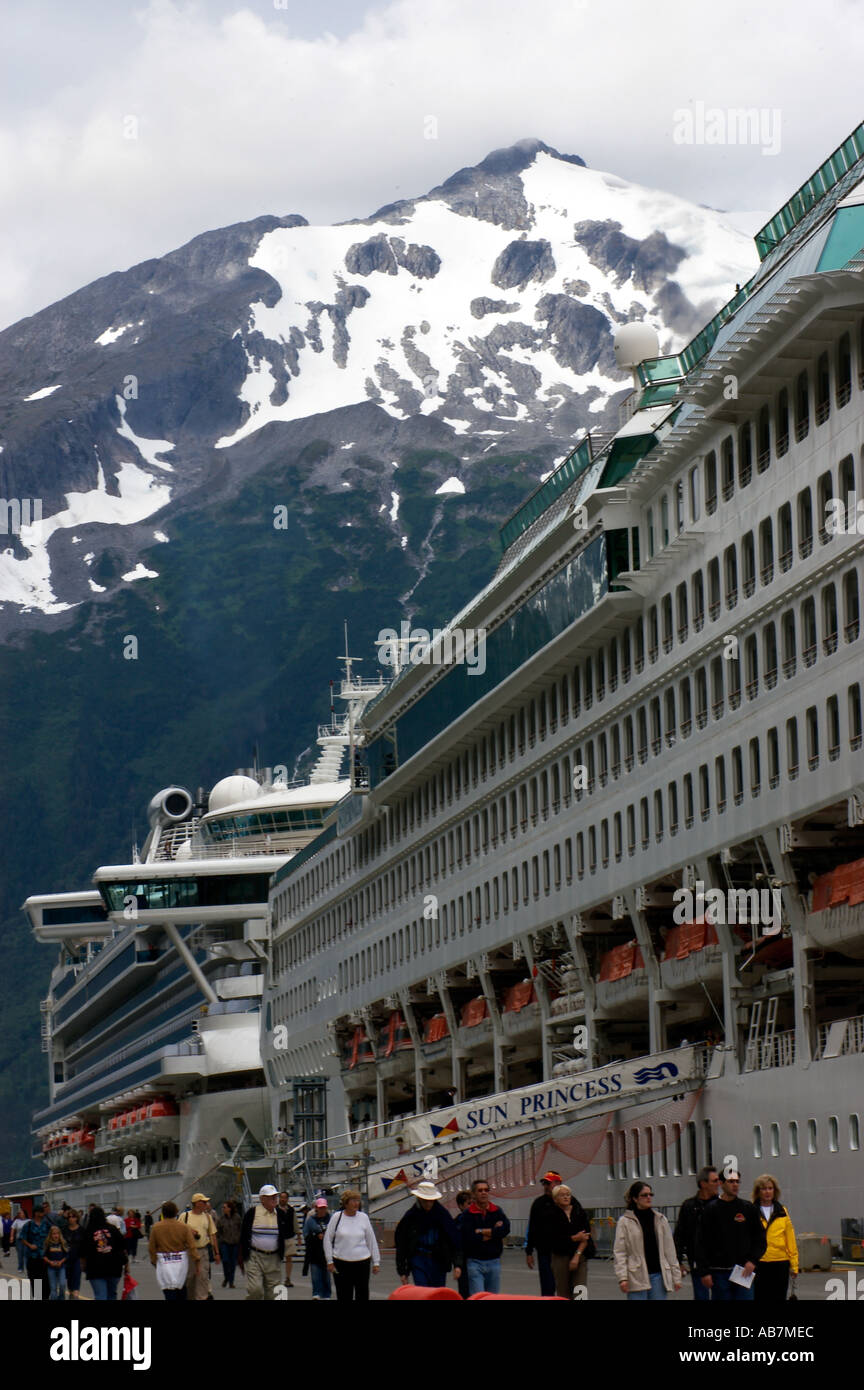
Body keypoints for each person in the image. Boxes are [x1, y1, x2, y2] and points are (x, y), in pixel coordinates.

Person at [694, 1170, 766, 1301]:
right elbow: (701, 1243)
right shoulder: (711, 1210)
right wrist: (704, 1271)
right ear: (721, 1183)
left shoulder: (748, 1208)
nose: (735, 1185)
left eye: (737, 1181)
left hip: (743, 1271)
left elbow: (760, 1238)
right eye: (731, 1181)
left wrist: (753, 1260)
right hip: (719, 1273)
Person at [613, 1181, 682, 1301]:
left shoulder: (660, 1219)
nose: (648, 1197)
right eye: (644, 1195)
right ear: (635, 1198)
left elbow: (670, 1250)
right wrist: (622, 1277)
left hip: (658, 1275)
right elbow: (620, 1252)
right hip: (636, 1275)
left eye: (650, 1194)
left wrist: (676, 1276)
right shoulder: (624, 1221)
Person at [395, 1181, 461, 1288]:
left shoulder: (443, 1215)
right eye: (425, 1201)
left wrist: (457, 1265)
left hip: (439, 1260)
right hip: (418, 1259)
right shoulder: (410, 1217)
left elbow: (454, 1240)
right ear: (419, 1199)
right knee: (423, 1292)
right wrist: (403, 1271)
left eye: (431, 1201)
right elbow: (402, 1244)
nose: (428, 1204)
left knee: (437, 1293)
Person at [240, 1184, 296, 1300]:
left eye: (275, 1196)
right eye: (271, 1196)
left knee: (273, 1294)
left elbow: (286, 1233)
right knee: (255, 1290)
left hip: (273, 1258)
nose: (274, 1199)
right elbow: (243, 1235)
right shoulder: (252, 1213)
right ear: (262, 1199)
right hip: (255, 1257)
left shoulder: (280, 1214)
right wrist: (242, 1256)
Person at [323, 1189, 381, 1302]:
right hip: (341, 1263)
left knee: (362, 1294)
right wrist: (329, 1260)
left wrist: (376, 1261)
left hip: (362, 1262)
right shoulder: (336, 1217)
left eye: (358, 1201)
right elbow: (327, 1240)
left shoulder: (363, 1217)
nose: (356, 1203)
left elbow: (371, 1240)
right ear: (346, 1203)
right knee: (344, 1294)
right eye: (353, 1200)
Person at [673, 1166, 720, 1302]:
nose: (719, 1184)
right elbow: (680, 1235)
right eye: (715, 1181)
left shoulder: (721, 1204)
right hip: (698, 1261)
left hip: (720, 1262)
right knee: (701, 1296)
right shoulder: (689, 1206)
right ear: (703, 1184)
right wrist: (678, 1261)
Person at [751, 1174, 798, 1305]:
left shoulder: (782, 1211)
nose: (767, 1192)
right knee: (759, 1297)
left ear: (775, 1190)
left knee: (778, 1297)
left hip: (780, 1262)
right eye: (764, 1188)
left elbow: (790, 1238)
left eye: (770, 1188)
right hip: (759, 1262)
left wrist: (794, 1264)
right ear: (758, 1191)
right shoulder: (751, 1211)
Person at [460, 1178, 511, 1296]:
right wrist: (494, 1233)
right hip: (474, 1262)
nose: (484, 1193)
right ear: (473, 1194)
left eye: (486, 1190)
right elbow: (468, 1238)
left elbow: (505, 1230)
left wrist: (482, 1231)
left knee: (492, 1298)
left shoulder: (497, 1211)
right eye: (480, 1190)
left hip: (494, 1261)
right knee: (479, 1297)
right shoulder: (467, 1215)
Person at [549, 1184, 595, 1299]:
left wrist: (577, 1256)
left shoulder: (579, 1212)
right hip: (560, 1256)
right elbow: (554, 1239)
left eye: (568, 1195)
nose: (566, 1197)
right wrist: (574, 1238)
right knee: (563, 1292)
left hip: (579, 1255)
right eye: (562, 1195)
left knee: (580, 1291)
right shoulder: (551, 1215)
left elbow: (585, 1236)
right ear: (555, 1199)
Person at [149, 1200, 199, 1300]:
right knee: (182, 1290)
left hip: (164, 1262)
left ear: (163, 1213)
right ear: (176, 1212)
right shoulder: (183, 1227)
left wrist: (154, 1261)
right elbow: (192, 1246)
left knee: (168, 1291)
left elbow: (152, 1247)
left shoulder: (156, 1228)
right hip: (181, 1262)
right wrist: (196, 1261)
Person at [525, 1170, 563, 1297]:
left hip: (564, 1251)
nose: (546, 1187)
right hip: (544, 1253)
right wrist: (529, 1252)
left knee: (566, 1287)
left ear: (558, 1183)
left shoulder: (567, 1201)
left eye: (549, 1183)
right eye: (544, 1184)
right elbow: (532, 1228)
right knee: (547, 1288)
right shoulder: (539, 1203)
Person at [80, 1206, 128, 1300]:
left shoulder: (88, 1232)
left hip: (95, 1268)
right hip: (114, 1267)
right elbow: (123, 1247)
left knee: (100, 1295)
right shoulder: (112, 1229)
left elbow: (83, 1252)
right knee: (112, 1294)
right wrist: (126, 1265)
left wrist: (84, 1266)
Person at [181, 1192, 220, 1300]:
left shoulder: (207, 1217)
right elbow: (178, 1232)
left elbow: (213, 1235)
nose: (206, 1204)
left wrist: (216, 1253)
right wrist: (189, 1232)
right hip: (188, 1252)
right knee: (190, 1278)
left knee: (203, 1277)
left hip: (203, 1251)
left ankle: (201, 1297)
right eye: (203, 1202)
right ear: (196, 1203)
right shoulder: (185, 1216)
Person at [21, 1203, 52, 1297]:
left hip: (45, 1258)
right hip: (33, 1258)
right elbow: (22, 1238)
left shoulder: (47, 1224)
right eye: (41, 1212)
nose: (43, 1213)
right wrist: (30, 1245)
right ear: (36, 1213)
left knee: (47, 1284)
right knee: (36, 1283)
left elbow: (54, 1235)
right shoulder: (29, 1225)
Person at [303, 1198, 332, 1300]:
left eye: (324, 1208)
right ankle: (316, 1293)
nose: (322, 1210)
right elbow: (306, 1234)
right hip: (315, 1250)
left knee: (326, 1275)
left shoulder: (330, 1218)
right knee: (316, 1275)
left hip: (327, 1251)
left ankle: (326, 1294)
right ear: (316, 1208)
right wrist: (315, 1235)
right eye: (320, 1208)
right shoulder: (311, 1220)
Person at [217, 1200, 242, 1289]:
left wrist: (239, 1239)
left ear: (229, 1208)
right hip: (225, 1243)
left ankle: (231, 1281)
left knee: (232, 1263)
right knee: (225, 1261)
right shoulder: (221, 1219)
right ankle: (226, 1277)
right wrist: (220, 1241)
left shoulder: (237, 1218)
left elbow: (240, 1228)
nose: (223, 1209)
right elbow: (218, 1231)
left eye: (225, 1207)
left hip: (234, 1243)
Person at [277, 1192, 298, 1286]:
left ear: (287, 1199)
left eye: (285, 1198)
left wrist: (299, 1235)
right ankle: (276, 1278)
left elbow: (295, 1222)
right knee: (277, 1258)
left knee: (289, 1258)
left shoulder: (291, 1210)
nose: (283, 1199)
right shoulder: (275, 1210)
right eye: (281, 1197)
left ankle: (288, 1278)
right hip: (278, 1237)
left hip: (289, 1236)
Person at [43, 1225, 68, 1301]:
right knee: (53, 1287)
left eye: (57, 1233)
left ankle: (61, 1297)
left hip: (61, 1267)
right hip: (51, 1268)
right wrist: (50, 1262)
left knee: (62, 1284)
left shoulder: (62, 1243)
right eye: (54, 1234)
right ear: (51, 1235)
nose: (56, 1235)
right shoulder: (48, 1244)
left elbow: (67, 1255)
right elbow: (44, 1256)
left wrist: (61, 1262)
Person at [454, 1191, 471, 1299]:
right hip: (463, 1261)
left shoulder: (478, 1218)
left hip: (477, 1258)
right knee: (464, 1290)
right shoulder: (457, 1223)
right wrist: (457, 1265)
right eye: (469, 1203)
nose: (472, 1206)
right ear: (460, 1206)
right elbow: (456, 1246)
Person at [66, 1209, 84, 1299]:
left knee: (76, 1276)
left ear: (77, 1218)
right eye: (69, 1217)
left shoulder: (81, 1230)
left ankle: (76, 1294)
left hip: (78, 1257)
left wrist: (84, 1260)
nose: (71, 1219)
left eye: (73, 1217)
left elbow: (85, 1245)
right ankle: (71, 1293)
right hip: (67, 1257)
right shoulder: (65, 1230)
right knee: (69, 1279)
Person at [11, 1208, 30, 1274]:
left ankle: (27, 1268)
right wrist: (11, 1236)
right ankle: (20, 1268)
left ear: (24, 1214)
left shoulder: (29, 1221)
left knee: (26, 1254)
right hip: (19, 1240)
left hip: (27, 1239)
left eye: (21, 1213)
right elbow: (13, 1229)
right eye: (19, 1213)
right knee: (20, 1254)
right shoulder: (17, 1221)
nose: (20, 1214)